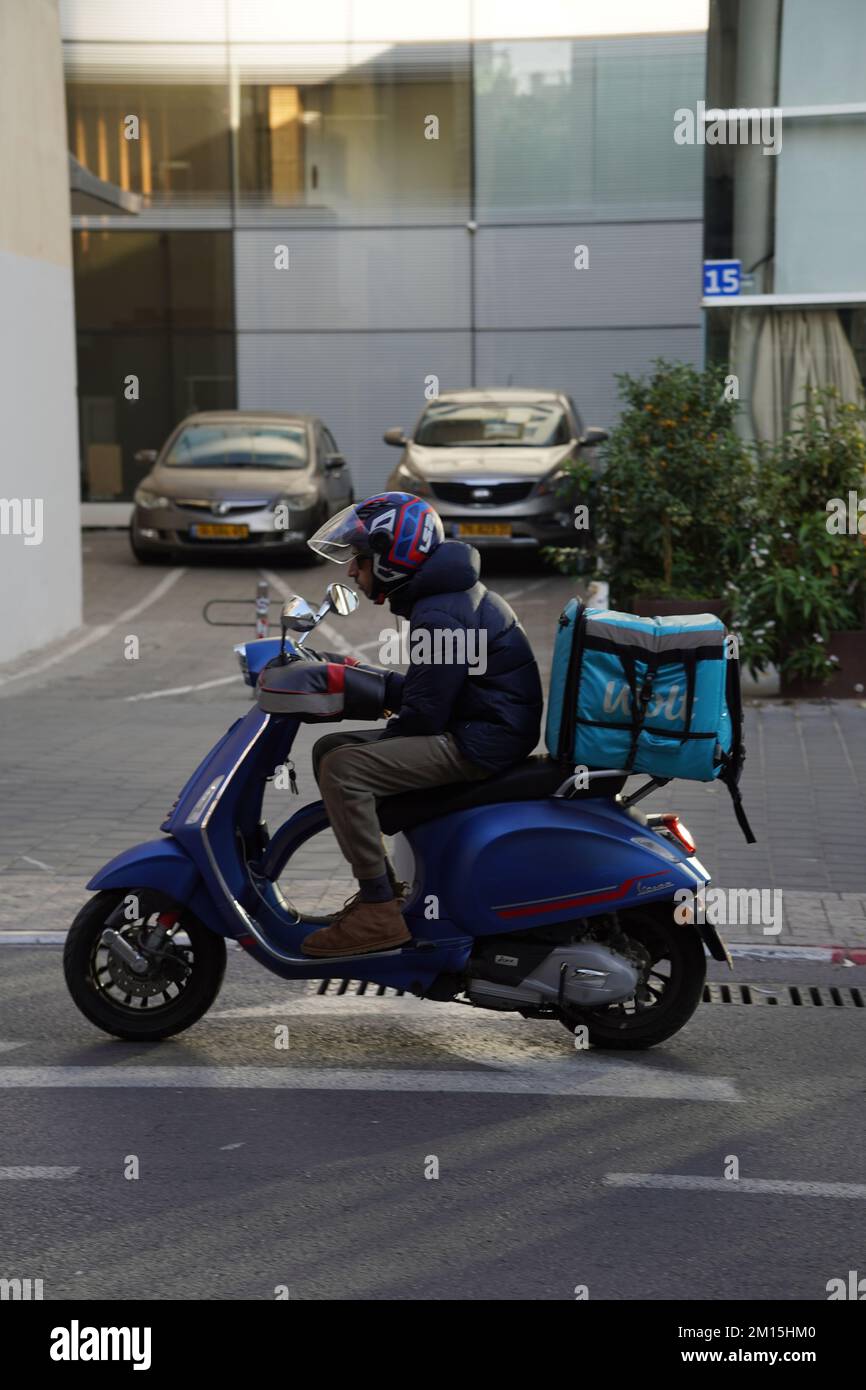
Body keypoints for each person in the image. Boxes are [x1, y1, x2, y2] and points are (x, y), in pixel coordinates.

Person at [300, 492, 544, 958]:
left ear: (394, 557)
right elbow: (431, 689)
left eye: (361, 559)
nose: (352, 571)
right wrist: (357, 679)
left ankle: (377, 910)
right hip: (481, 726)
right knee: (331, 748)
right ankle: (385, 892)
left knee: (343, 769)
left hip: (480, 740)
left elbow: (426, 714)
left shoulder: (440, 613)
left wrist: (378, 726)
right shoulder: (445, 599)